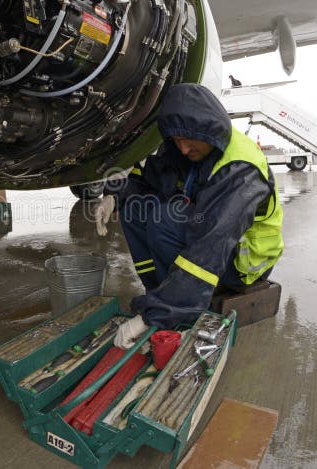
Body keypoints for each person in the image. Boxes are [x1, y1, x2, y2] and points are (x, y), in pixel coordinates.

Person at [95, 84, 283, 348]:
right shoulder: (186, 148)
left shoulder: (239, 170)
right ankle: (161, 293)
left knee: (164, 220)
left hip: (242, 262)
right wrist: (115, 196)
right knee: (135, 209)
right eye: (177, 140)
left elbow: (209, 246)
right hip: (212, 243)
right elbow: (149, 180)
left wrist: (154, 318)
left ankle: (174, 310)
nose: (183, 149)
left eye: (189, 140)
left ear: (208, 128)